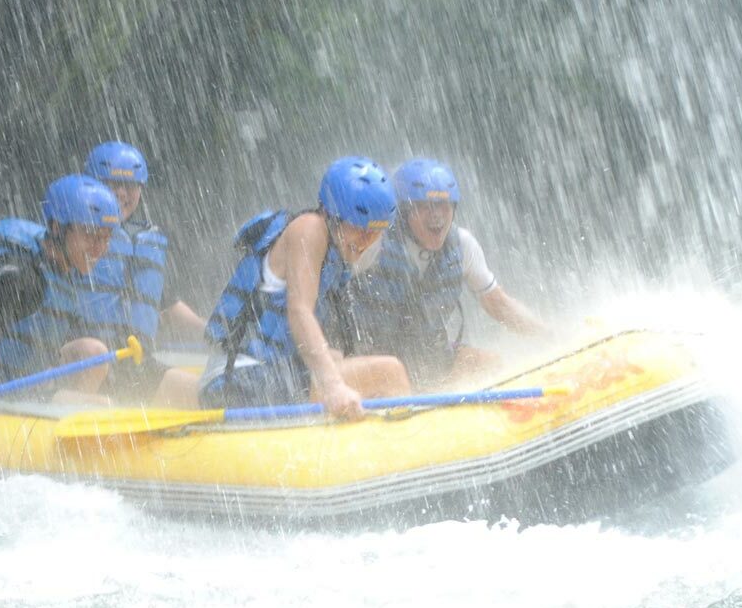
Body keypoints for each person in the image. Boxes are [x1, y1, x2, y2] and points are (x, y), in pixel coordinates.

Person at [198, 157, 410, 419]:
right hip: (241, 381)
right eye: (360, 228)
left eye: (375, 231)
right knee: (389, 372)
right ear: (334, 215)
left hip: (260, 375)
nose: (367, 240)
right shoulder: (309, 228)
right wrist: (332, 385)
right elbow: (299, 312)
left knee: (340, 362)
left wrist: (329, 365)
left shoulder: (335, 249)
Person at [0, 174, 125, 414]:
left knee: (95, 354)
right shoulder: (21, 274)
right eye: (90, 234)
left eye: (106, 237)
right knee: (102, 408)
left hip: (17, 395)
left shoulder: (67, 274)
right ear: (57, 228)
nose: (99, 248)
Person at [348, 158, 547, 385]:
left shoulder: (463, 245)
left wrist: (548, 336)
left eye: (444, 205)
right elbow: (324, 292)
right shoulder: (373, 243)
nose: (437, 215)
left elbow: (499, 305)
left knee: (490, 363)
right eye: (425, 206)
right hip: (373, 363)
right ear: (403, 212)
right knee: (394, 375)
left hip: (429, 359)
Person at [83, 140, 205, 406]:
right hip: (92, 360)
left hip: (137, 360)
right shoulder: (76, 235)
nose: (122, 194)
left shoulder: (146, 241)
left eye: (130, 186)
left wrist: (210, 331)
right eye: (113, 185)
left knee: (201, 391)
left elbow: (167, 304)